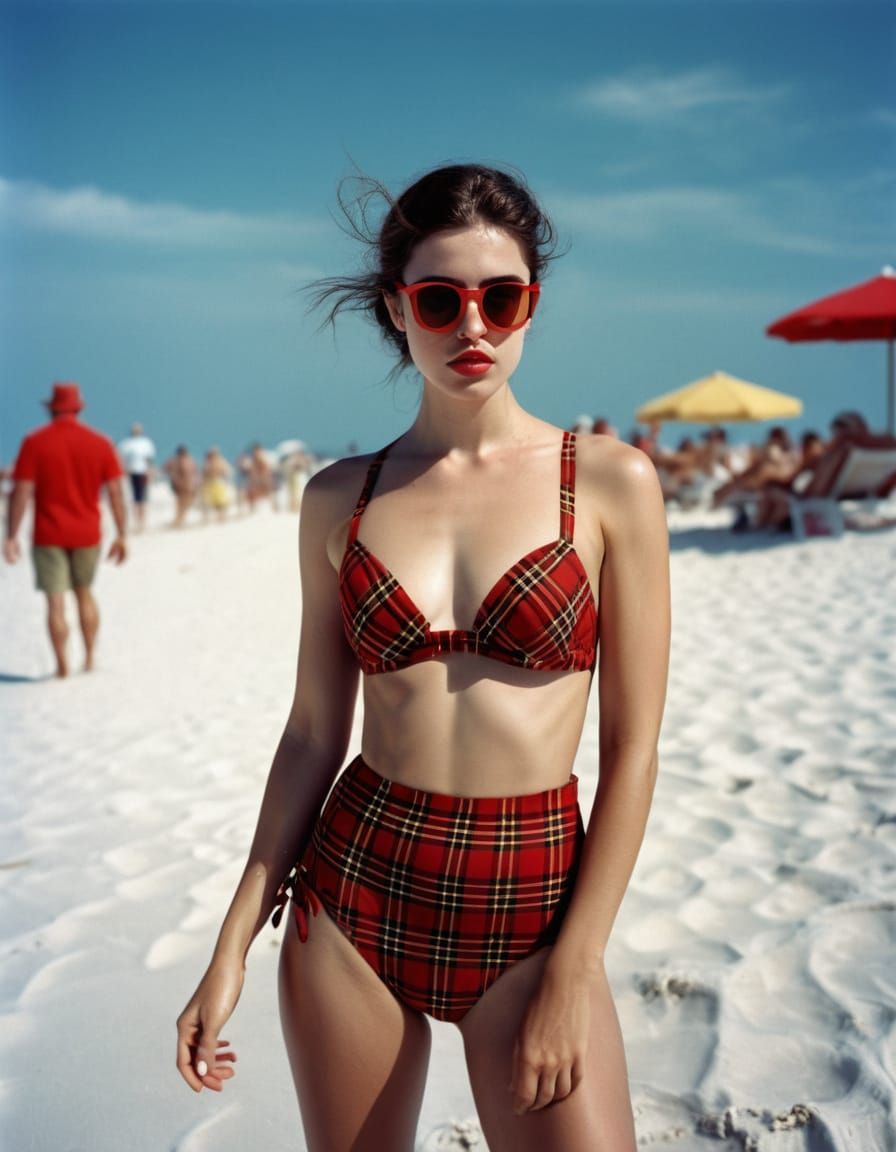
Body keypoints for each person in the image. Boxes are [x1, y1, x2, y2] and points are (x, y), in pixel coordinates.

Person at [175, 164, 670, 1151]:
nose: (471, 325)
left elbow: (633, 751)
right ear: (397, 312)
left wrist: (575, 967)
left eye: (501, 297)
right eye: (439, 300)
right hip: (351, 895)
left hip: (529, 909)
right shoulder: (338, 497)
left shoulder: (609, 483)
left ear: (532, 303)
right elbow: (313, 732)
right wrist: (230, 943)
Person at [3, 382, 127, 677]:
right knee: (85, 593)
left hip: (48, 533)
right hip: (87, 532)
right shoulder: (100, 442)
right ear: (78, 408)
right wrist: (122, 534)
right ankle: (90, 658)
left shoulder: (34, 442)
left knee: (55, 602)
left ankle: (62, 667)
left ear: (51, 409)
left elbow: (21, 492)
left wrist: (10, 535)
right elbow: (116, 492)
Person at [118, 421, 156, 533]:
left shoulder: (145, 443)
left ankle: (142, 522)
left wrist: (150, 471)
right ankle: (136, 522)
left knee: (143, 497)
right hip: (131, 472)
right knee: (134, 498)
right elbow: (122, 459)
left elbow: (149, 459)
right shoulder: (126, 444)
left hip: (143, 472)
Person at [163, 445, 199, 528]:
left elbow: (194, 473)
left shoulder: (186, 460)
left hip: (185, 484)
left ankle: (180, 519)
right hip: (182, 484)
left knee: (184, 502)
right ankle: (179, 519)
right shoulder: (182, 461)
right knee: (182, 502)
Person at [199, 447, 234, 521]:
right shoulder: (206, 463)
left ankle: (222, 516)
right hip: (208, 483)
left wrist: (225, 475)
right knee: (206, 501)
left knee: (220, 501)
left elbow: (228, 471)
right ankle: (206, 518)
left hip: (218, 482)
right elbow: (202, 474)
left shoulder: (221, 461)